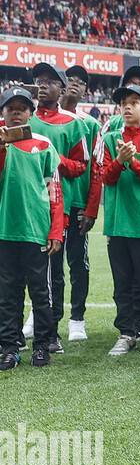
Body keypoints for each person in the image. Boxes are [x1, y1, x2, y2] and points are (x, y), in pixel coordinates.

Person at [86, 84, 140, 356]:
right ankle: (127, 332)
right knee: (122, 283)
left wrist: (132, 162)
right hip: (119, 224)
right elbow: (106, 178)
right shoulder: (110, 139)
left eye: (134, 102)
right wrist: (120, 160)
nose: (127, 106)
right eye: (124, 102)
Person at [0, 86, 64, 370]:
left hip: (35, 230)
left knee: (40, 292)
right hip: (5, 231)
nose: (16, 112)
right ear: (3, 112)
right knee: (7, 293)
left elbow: (55, 190)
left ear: (31, 112)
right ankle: (9, 348)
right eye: (10, 108)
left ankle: (42, 346)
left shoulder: (43, 144)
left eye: (22, 108)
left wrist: (55, 230)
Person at [27, 63, 88, 353]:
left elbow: (80, 167)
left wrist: (53, 159)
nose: (42, 85)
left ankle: (53, 330)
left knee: (55, 271)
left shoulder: (73, 123)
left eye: (50, 82)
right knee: (25, 270)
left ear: (61, 90)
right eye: (39, 81)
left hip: (57, 206)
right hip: (25, 206)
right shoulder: (23, 120)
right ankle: (31, 325)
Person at [56, 66, 98, 341]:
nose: (74, 84)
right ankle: (41, 316)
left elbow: (96, 169)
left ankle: (77, 319)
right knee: (45, 264)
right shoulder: (40, 118)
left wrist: (92, 208)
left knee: (77, 263)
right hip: (46, 203)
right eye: (70, 79)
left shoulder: (90, 124)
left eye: (81, 82)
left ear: (86, 91)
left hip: (76, 203)